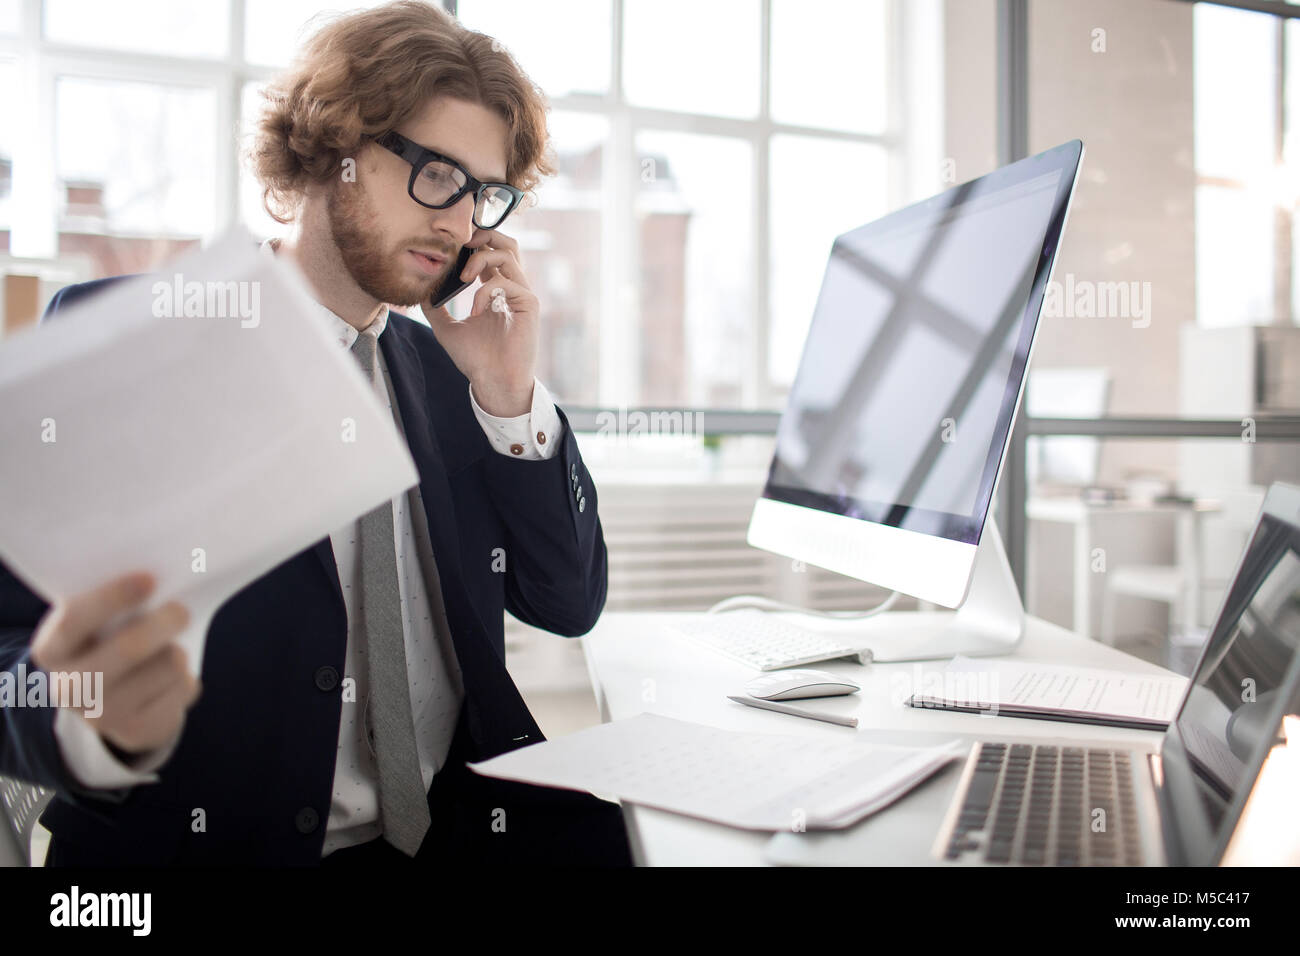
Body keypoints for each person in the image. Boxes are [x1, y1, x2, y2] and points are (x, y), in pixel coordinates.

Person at [0, 0, 631, 867]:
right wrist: (89, 724)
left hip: (459, 831)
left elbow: (566, 603)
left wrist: (509, 390)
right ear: (332, 147)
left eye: (483, 194)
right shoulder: (136, 347)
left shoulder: (453, 372)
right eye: (438, 174)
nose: (461, 222)